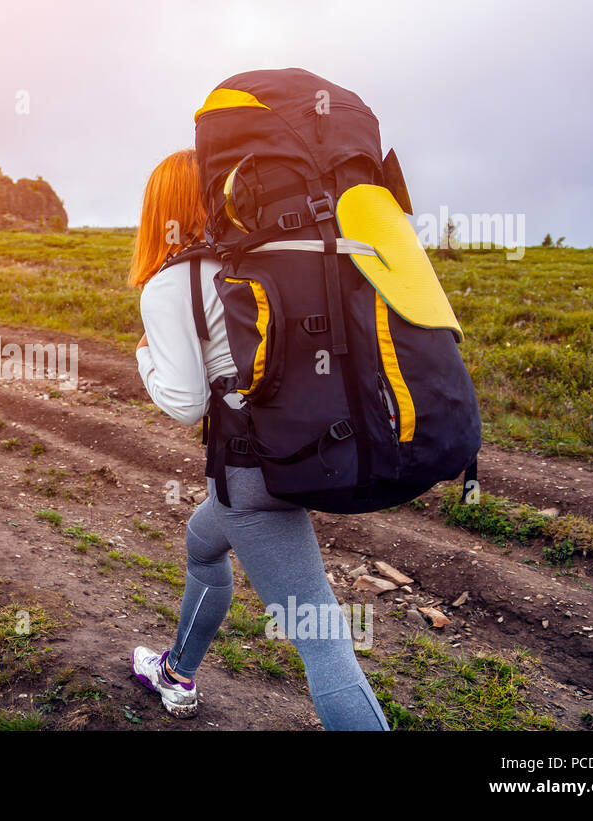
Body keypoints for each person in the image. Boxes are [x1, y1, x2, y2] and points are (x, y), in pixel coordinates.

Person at [128, 149, 389, 730]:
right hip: (306, 447)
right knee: (203, 542)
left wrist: (143, 359)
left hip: (250, 477)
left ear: (161, 211)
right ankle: (176, 675)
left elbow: (185, 402)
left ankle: (177, 676)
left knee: (321, 637)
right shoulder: (271, 260)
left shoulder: (169, 285)